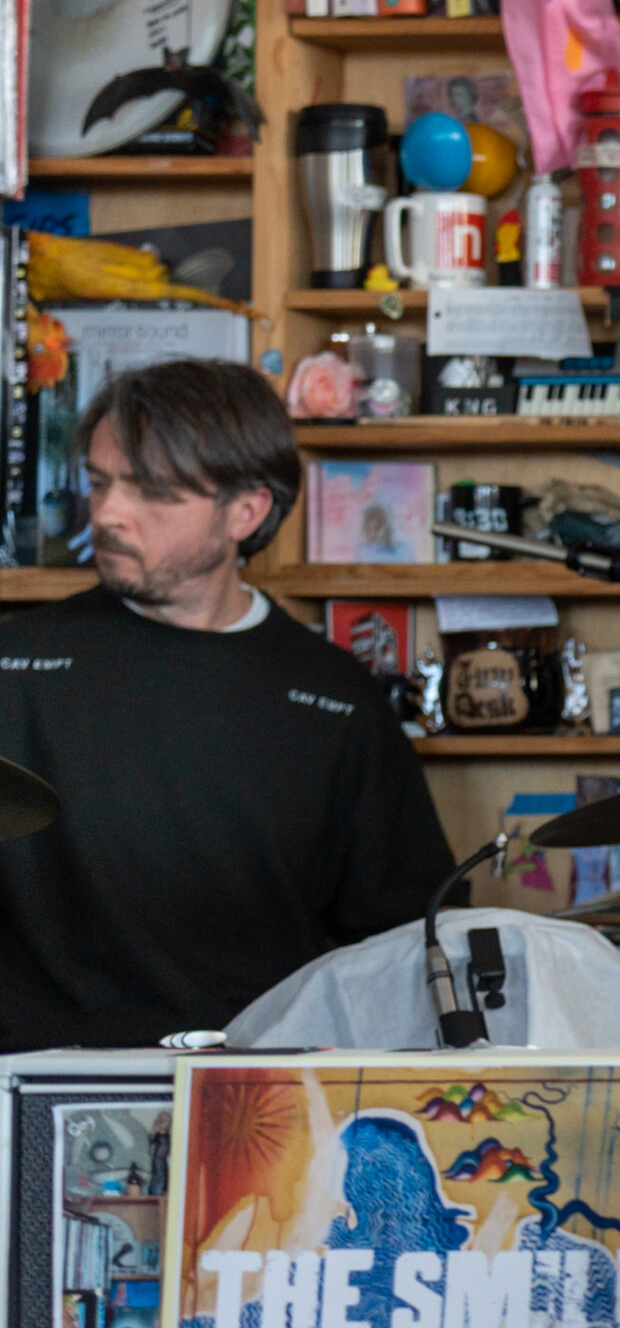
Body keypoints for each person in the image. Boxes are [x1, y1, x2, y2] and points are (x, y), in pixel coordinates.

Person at [0, 361, 451, 1047]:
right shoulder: (14, 667)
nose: (108, 514)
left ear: (247, 511)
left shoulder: (336, 698)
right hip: (33, 1080)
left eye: (152, 491)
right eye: (99, 482)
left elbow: (400, 938)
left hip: (258, 1083)